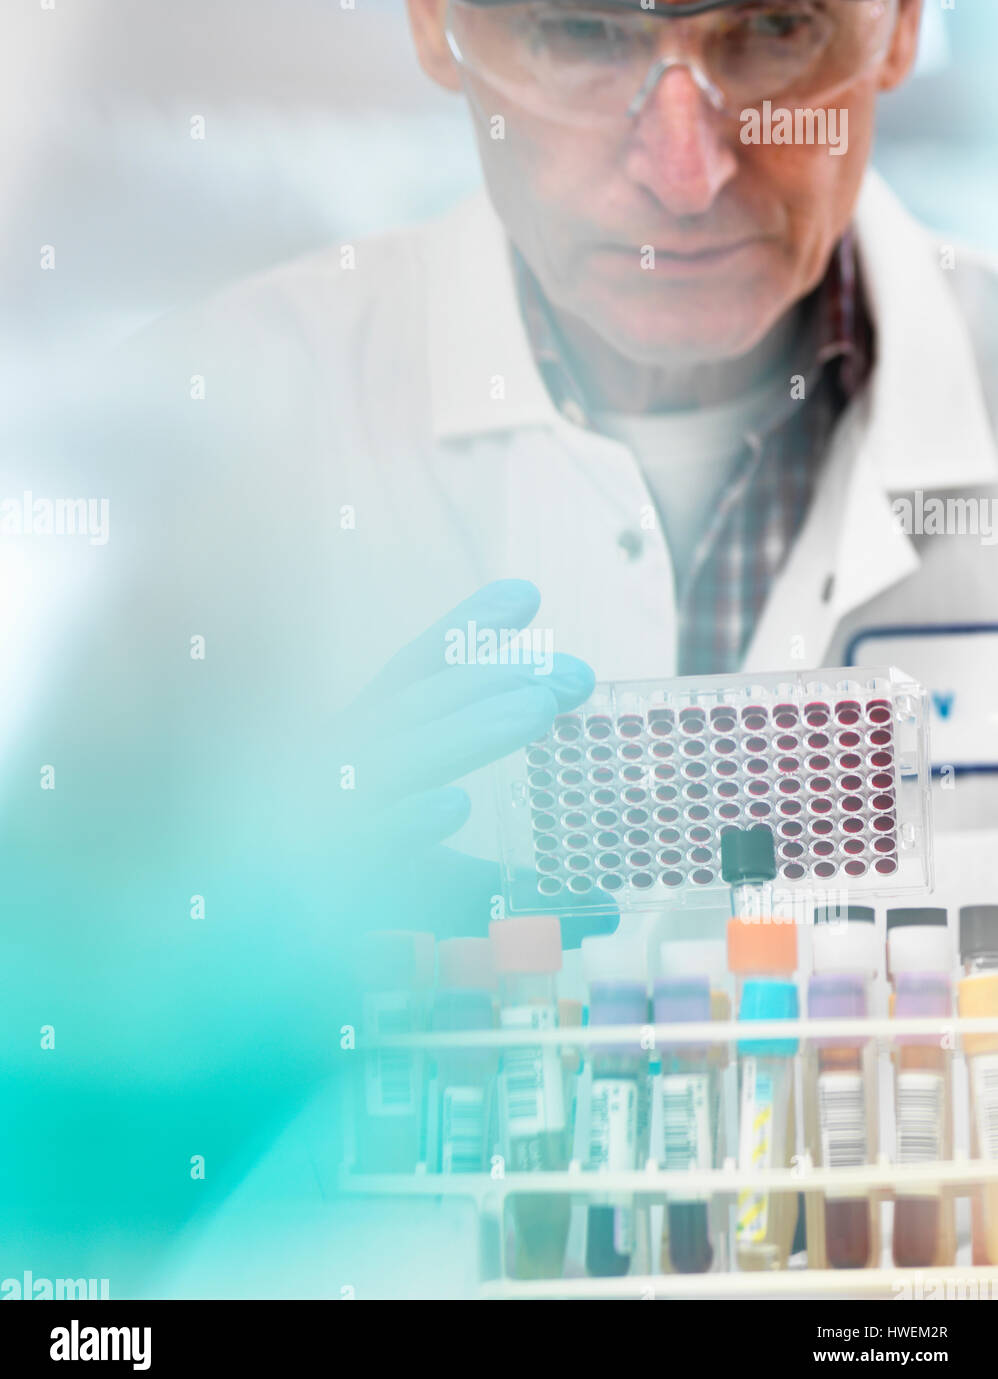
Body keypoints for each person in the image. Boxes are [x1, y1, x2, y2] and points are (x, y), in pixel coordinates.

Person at [9, 0, 998, 1293]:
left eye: (771, 31)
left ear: (898, 29)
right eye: (580, 38)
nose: (685, 171)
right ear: (433, 26)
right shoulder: (199, 442)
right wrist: (226, 927)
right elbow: (66, 1186)